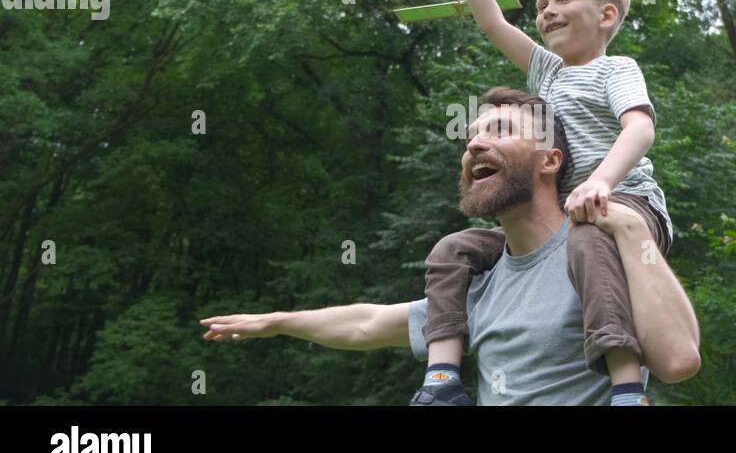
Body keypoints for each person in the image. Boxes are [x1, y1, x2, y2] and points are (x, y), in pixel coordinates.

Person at [201, 89, 700, 405]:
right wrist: (278, 322)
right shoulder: (476, 284)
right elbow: (369, 323)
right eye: (470, 137)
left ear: (550, 161)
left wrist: (630, 227)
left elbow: (678, 360)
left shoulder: (599, 253)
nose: (475, 145)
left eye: (500, 131)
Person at [412, 0, 677, 405]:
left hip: (627, 199)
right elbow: (491, 22)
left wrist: (601, 182)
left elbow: (640, 129)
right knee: (456, 249)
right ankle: (442, 380)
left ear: (606, 15)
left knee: (589, 243)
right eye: (542, 4)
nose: (547, 11)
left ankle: (625, 389)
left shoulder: (614, 69)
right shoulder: (548, 73)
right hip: (568, 214)